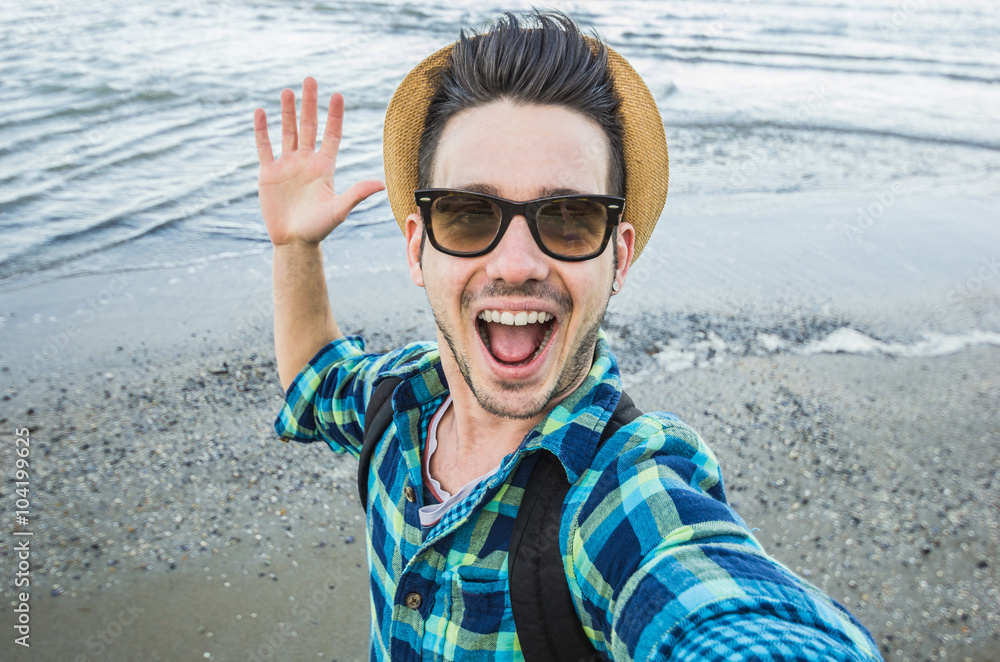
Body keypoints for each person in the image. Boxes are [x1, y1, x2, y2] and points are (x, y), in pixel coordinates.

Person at [254, 11, 882, 661]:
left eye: (570, 218)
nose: (517, 264)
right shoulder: (395, 402)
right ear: (418, 249)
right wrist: (296, 245)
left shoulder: (618, 490)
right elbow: (314, 378)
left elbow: (710, 598)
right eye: (470, 215)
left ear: (620, 257)